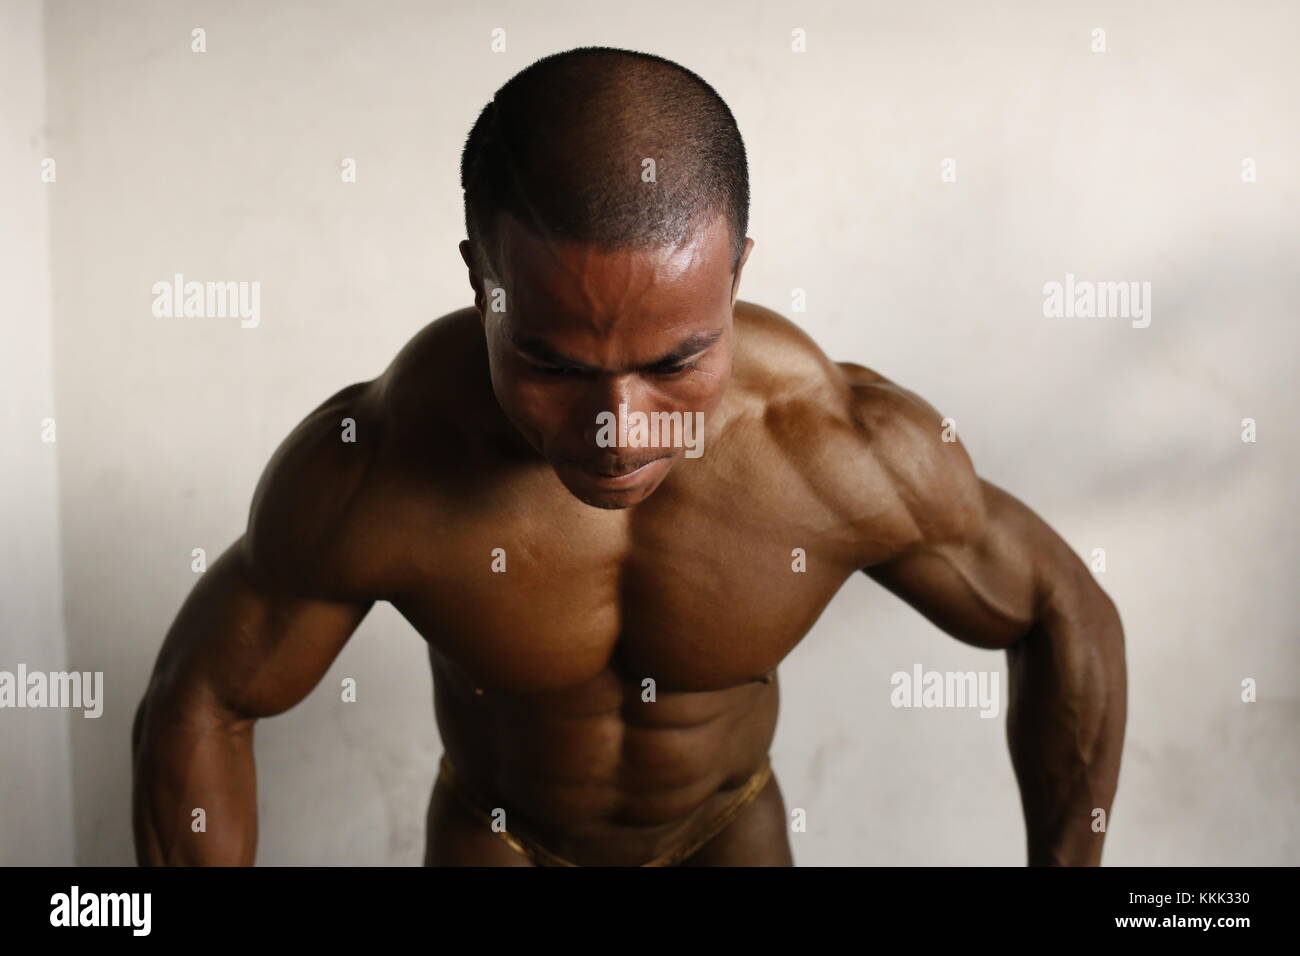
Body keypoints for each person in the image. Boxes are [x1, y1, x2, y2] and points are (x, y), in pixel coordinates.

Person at [133, 46, 1126, 867]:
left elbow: (1058, 609)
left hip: (724, 826)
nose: (619, 426)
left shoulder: (836, 446)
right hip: (500, 838)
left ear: (735, 269)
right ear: (483, 279)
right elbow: (206, 691)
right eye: (551, 363)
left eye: (675, 360)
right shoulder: (380, 464)